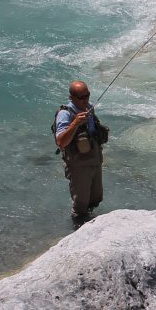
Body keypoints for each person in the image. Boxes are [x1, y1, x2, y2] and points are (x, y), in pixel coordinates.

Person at [53, 80, 107, 224]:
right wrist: (75, 123)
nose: (85, 100)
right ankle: (78, 228)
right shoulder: (65, 114)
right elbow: (61, 141)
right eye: (81, 97)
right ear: (71, 97)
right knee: (80, 203)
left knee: (96, 197)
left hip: (94, 160)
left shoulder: (89, 108)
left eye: (87, 95)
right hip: (78, 165)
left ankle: (90, 221)